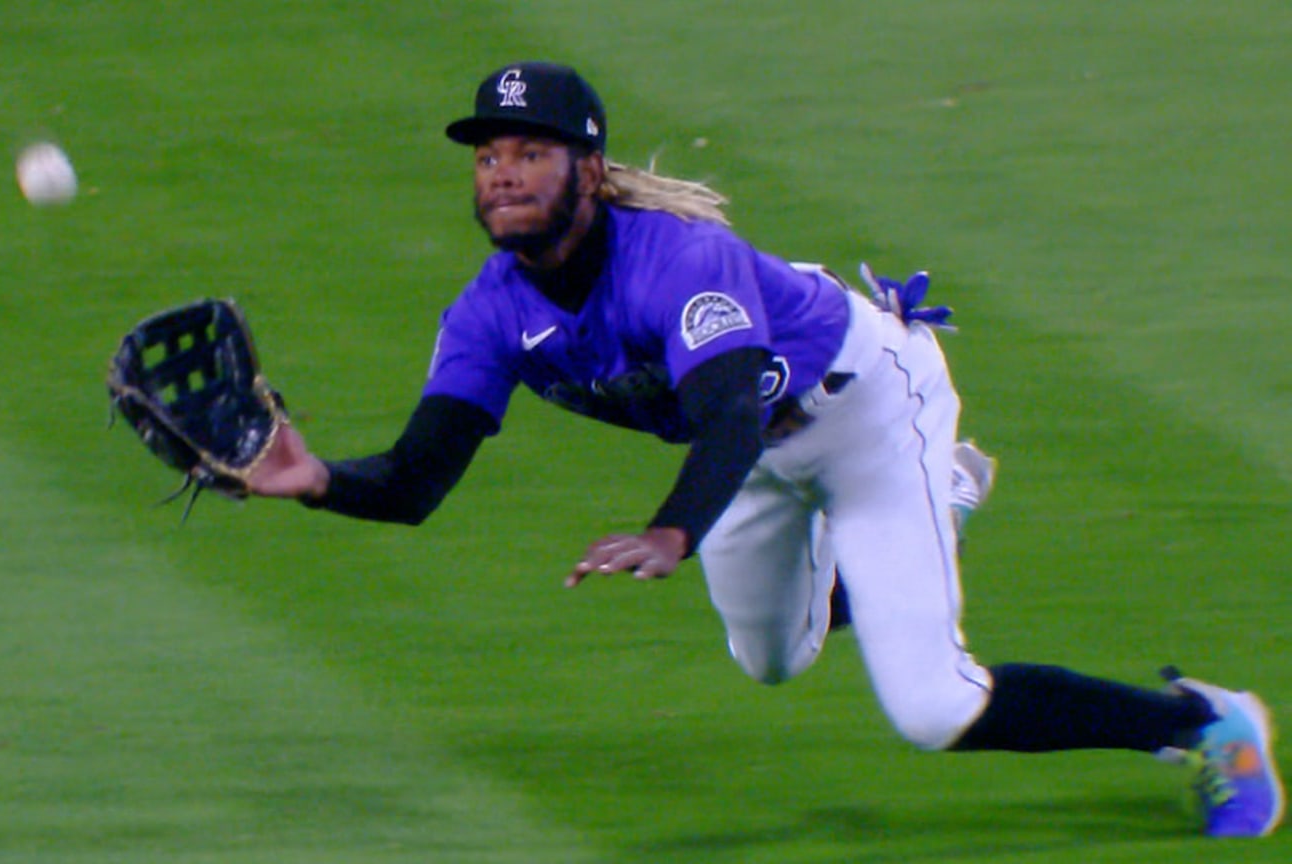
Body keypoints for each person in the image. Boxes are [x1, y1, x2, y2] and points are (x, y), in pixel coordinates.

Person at [244, 61, 1283, 838]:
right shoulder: (486, 315)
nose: (503, 174)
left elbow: (732, 413)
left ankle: (1204, 724)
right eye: (488, 156)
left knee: (931, 707)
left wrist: (672, 532)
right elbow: (419, 480)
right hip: (748, 456)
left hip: (867, 414)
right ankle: (935, 516)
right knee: (775, 658)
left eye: (531, 152)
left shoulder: (679, 261)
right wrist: (318, 480)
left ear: (590, 171)